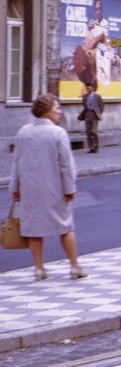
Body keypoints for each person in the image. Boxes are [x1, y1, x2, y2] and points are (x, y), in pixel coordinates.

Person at [9, 94, 87, 281]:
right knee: (65, 226)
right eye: (57, 108)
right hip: (54, 188)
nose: (59, 111)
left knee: (34, 228)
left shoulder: (23, 132)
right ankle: (74, 266)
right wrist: (70, 188)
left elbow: (16, 162)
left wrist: (15, 187)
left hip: (29, 188)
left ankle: (38, 268)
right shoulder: (58, 133)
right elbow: (66, 165)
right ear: (46, 110)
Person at [81, 83, 104, 153]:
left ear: (93, 88)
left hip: (94, 114)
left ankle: (96, 145)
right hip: (87, 114)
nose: (88, 89)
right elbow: (84, 106)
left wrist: (98, 113)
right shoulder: (84, 97)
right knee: (88, 132)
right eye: (87, 88)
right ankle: (91, 147)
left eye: (89, 88)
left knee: (93, 131)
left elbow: (101, 106)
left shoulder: (97, 96)